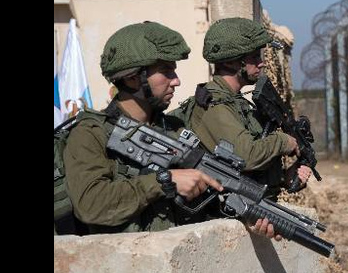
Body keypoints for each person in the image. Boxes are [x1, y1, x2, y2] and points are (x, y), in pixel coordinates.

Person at [63, 21, 279, 240]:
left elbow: (204, 200)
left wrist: (244, 218)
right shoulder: (91, 133)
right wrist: (164, 181)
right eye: (166, 72)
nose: (176, 81)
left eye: (174, 70)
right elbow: (90, 204)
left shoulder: (174, 128)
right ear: (132, 77)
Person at [182, 17, 312, 199]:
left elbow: (244, 172)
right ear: (230, 62)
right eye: (254, 57)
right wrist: (284, 141)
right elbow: (245, 156)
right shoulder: (213, 105)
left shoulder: (237, 103)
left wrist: (285, 177)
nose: (262, 63)